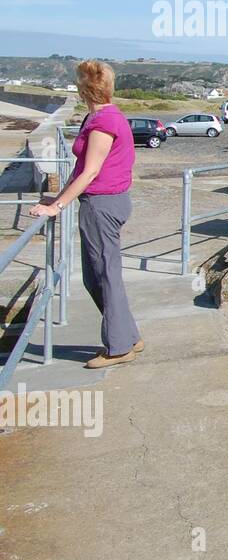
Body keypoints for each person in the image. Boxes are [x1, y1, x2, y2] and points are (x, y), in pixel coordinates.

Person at [32, 60, 143, 369]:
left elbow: (91, 171)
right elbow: (82, 169)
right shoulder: (100, 117)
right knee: (99, 276)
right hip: (101, 203)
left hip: (102, 205)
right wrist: (59, 196)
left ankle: (119, 347)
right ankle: (129, 336)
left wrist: (56, 206)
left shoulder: (104, 121)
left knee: (103, 276)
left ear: (85, 88)